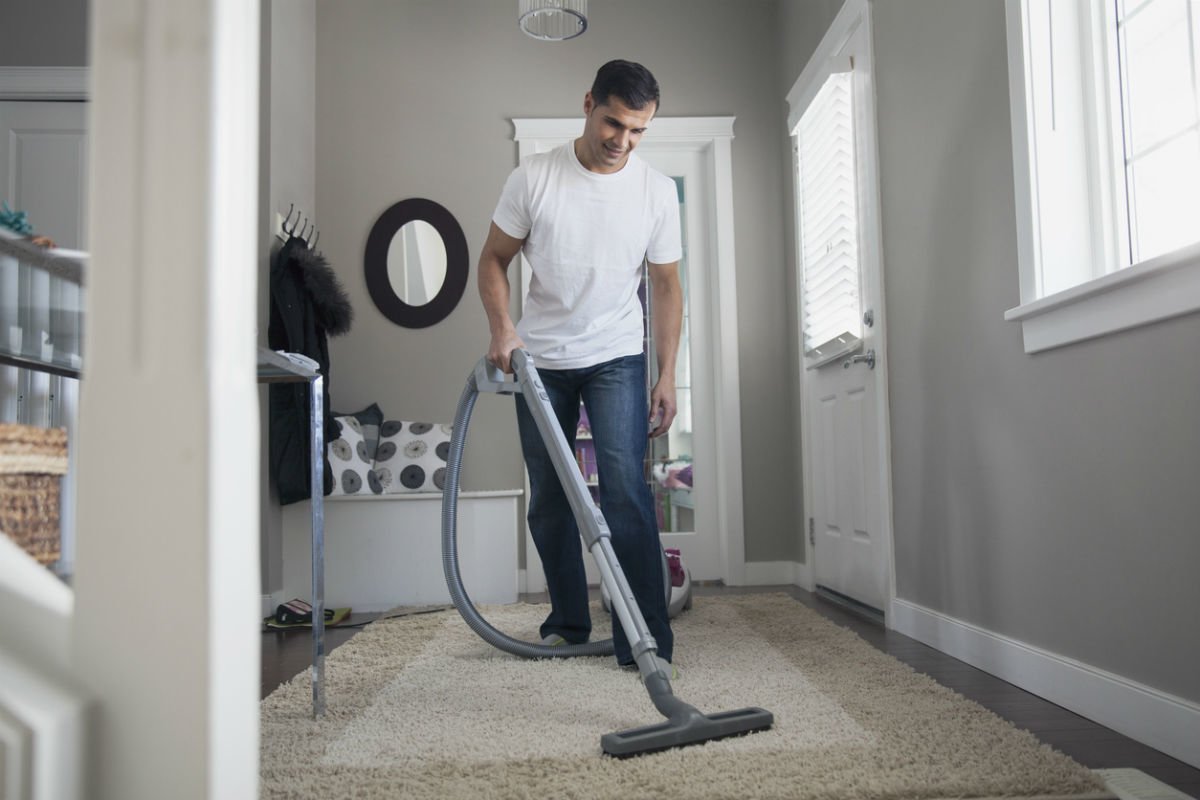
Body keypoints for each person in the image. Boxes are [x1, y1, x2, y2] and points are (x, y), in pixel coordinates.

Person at [477, 59, 683, 671]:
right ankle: (567, 623)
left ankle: (645, 641)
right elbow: (493, 259)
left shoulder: (655, 191)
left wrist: (666, 373)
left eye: (638, 130)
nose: (623, 140)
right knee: (550, 496)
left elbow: (666, 285)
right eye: (614, 123)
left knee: (626, 493)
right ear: (589, 103)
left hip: (617, 355)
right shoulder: (534, 178)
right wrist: (503, 329)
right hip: (539, 360)